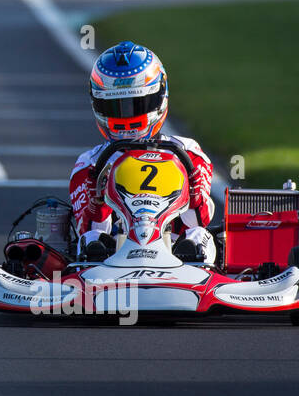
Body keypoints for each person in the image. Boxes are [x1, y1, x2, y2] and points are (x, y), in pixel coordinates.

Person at [68, 41, 217, 263]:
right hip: (113, 259)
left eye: (135, 105)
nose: (126, 117)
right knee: (91, 240)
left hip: (177, 254)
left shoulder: (187, 153)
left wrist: (194, 196)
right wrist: (96, 203)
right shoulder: (90, 163)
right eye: (114, 107)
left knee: (198, 237)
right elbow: (89, 229)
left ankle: (196, 277)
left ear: (159, 96)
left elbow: (198, 220)